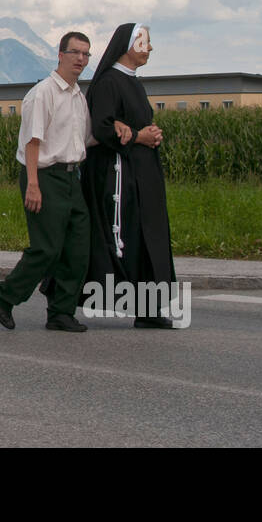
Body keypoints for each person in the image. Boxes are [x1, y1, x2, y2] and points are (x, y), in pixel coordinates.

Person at [0, 32, 96, 333]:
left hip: (72, 178)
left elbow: (83, 139)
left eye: (86, 54)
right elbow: (33, 142)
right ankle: (4, 295)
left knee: (77, 248)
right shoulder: (43, 93)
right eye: (75, 52)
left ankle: (61, 312)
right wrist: (33, 184)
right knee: (46, 248)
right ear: (60, 54)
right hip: (44, 177)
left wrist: (123, 130)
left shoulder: (78, 96)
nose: (81, 59)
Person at [82, 23, 177, 328]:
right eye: (145, 43)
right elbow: (102, 128)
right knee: (130, 239)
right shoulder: (110, 82)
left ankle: (149, 309)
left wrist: (151, 135)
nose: (149, 48)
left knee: (150, 236)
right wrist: (138, 136)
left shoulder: (133, 82)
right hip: (120, 175)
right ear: (129, 44)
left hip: (143, 172)